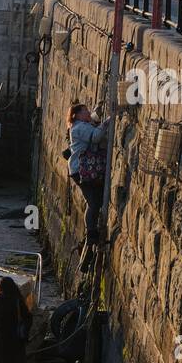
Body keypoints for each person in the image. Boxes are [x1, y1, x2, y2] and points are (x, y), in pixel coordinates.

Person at [67, 104, 107, 261]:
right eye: (85, 111)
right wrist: (107, 122)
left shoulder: (81, 125)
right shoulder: (79, 128)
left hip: (85, 169)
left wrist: (97, 114)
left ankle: (92, 233)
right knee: (93, 203)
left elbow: (92, 123)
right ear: (77, 115)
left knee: (94, 201)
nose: (88, 113)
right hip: (81, 170)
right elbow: (95, 136)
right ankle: (91, 234)